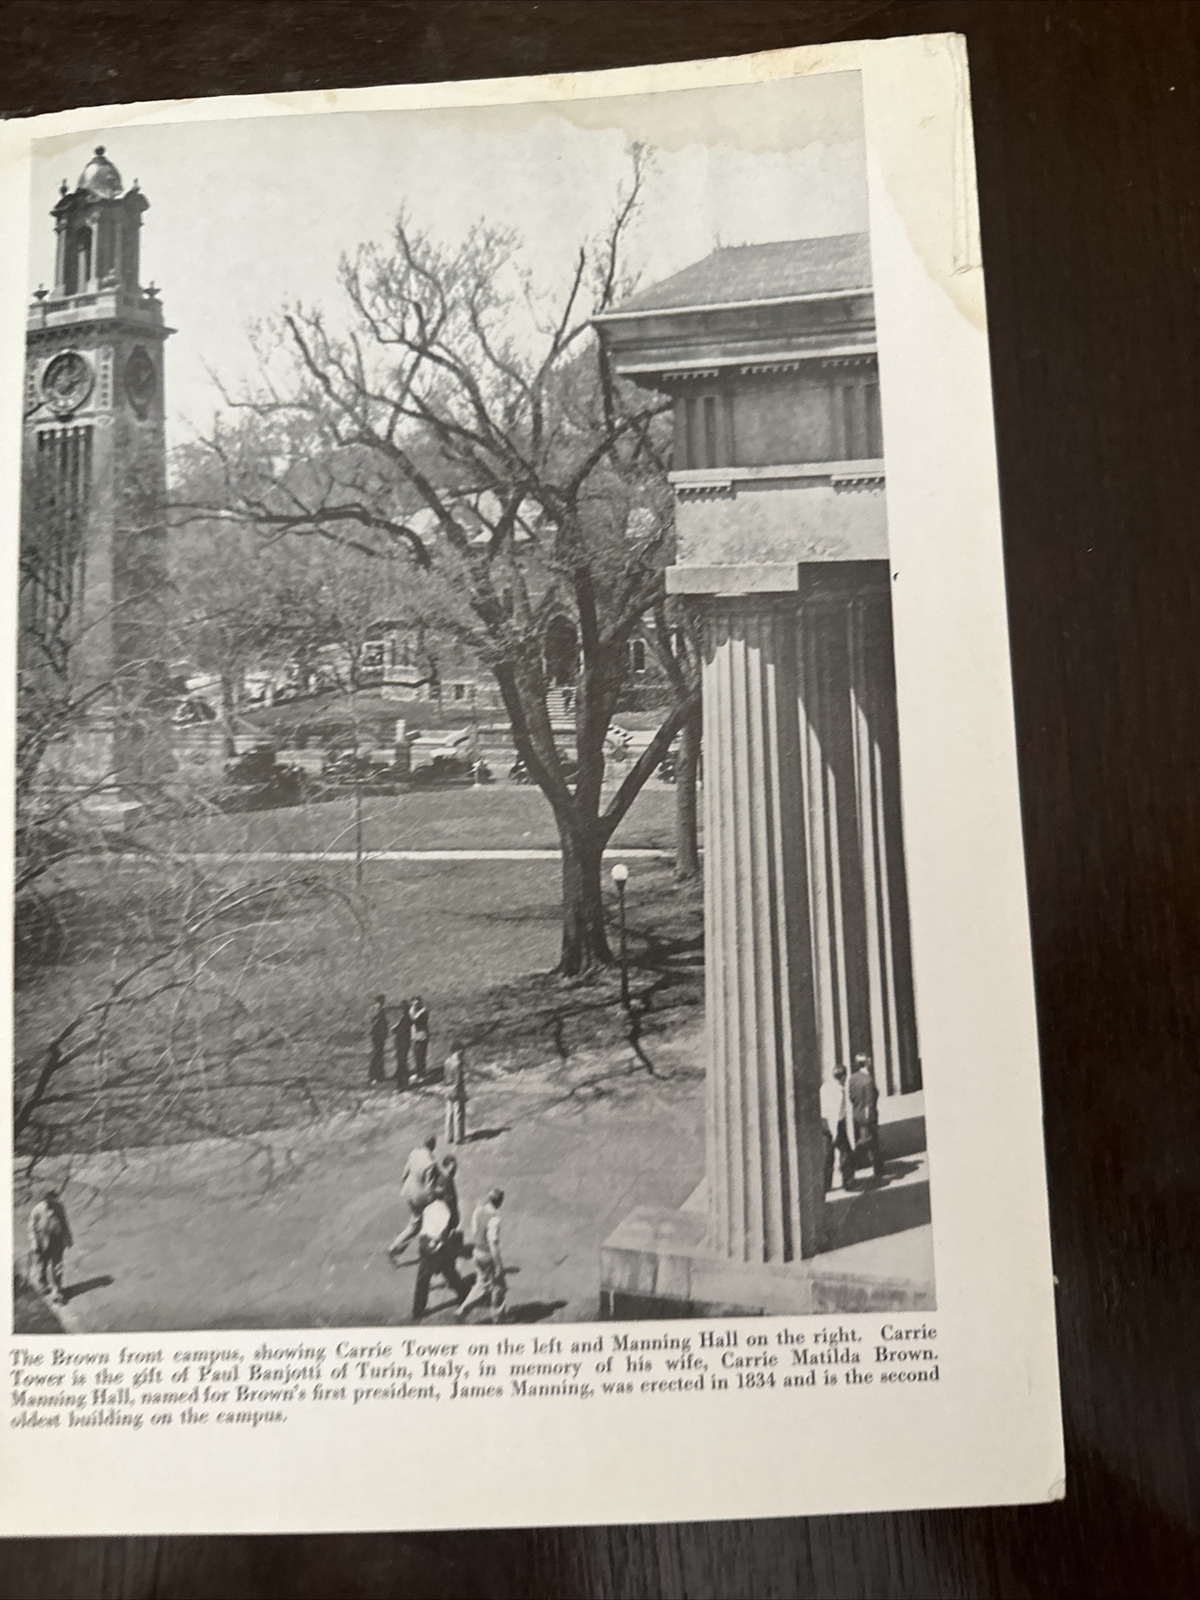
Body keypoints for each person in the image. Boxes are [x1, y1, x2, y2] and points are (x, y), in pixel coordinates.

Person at [411, 1194, 468, 1322]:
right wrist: (442, 1243)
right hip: (436, 1247)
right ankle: (464, 1295)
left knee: (423, 1279)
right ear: (446, 1198)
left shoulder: (428, 1208)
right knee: (450, 1272)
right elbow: (442, 1233)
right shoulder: (445, 1211)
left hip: (424, 1244)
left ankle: (417, 1310)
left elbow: (424, 1227)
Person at [456, 1186, 507, 1323]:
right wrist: (499, 1265)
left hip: (476, 1252)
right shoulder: (495, 1219)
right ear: (500, 1202)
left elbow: (474, 1231)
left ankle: (463, 1309)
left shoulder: (478, 1211)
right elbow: (493, 1243)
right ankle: (497, 1317)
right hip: (487, 1255)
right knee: (499, 1286)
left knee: (481, 1285)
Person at [387, 1134, 438, 1260]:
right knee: (415, 1226)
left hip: (409, 1192)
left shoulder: (414, 1154)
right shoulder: (430, 1164)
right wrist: (434, 1201)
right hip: (419, 1198)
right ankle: (395, 1247)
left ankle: (401, 1247)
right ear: (433, 1146)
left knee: (417, 1223)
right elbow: (429, 1188)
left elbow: (404, 1175)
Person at [28, 1188, 72, 1305]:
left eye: (53, 1197)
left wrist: (68, 1238)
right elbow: (31, 1228)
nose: (52, 1201)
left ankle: (57, 1290)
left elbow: (64, 1222)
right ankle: (42, 1284)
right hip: (43, 1241)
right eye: (49, 1199)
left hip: (57, 1239)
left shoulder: (59, 1207)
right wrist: (34, 1242)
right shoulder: (37, 1210)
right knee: (42, 1265)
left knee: (57, 1266)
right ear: (44, 1199)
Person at [848, 1052, 884, 1182]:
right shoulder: (868, 1080)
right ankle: (852, 1162)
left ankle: (878, 1167)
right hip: (868, 1116)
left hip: (857, 1113)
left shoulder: (852, 1078)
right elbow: (870, 1102)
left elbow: (851, 1097)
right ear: (867, 1063)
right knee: (868, 1140)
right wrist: (870, 1118)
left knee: (871, 1141)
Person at [819, 1066, 852, 1194]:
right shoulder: (839, 1091)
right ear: (843, 1077)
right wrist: (835, 1133)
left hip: (824, 1123)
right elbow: (835, 1113)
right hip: (836, 1125)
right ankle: (848, 1182)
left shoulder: (825, 1086)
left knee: (827, 1156)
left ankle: (825, 1185)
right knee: (846, 1153)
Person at [443, 1048, 468, 1145]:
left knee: (449, 1114)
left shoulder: (447, 1062)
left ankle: (449, 1136)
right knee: (459, 1114)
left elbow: (445, 1077)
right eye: (462, 1050)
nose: (463, 1052)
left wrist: (446, 1088)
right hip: (457, 1090)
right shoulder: (458, 1063)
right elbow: (458, 1080)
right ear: (458, 1050)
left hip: (448, 1089)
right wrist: (463, 1093)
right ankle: (459, 1137)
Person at [368, 994, 390, 1084]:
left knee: (378, 1054)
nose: (384, 1001)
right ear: (379, 1000)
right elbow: (378, 1022)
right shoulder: (379, 1009)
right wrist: (383, 1032)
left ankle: (377, 1075)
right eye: (382, 999)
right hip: (378, 1035)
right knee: (378, 1055)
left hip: (377, 1035)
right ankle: (376, 1075)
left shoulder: (376, 1008)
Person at [409, 997, 431, 1081]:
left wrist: (422, 1011)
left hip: (422, 1037)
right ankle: (420, 1073)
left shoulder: (423, 1011)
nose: (417, 1005)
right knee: (417, 1056)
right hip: (416, 1037)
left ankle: (422, 1073)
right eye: (415, 1004)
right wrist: (421, 1011)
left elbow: (424, 1020)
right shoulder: (413, 1010)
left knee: (422, 1056)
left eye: (418, 1004)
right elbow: (414, 1019)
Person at [392, 1000, 412, 1091]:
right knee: (402, 1062)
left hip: (402, 1043)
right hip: (404, 1043)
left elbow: (400, 1029)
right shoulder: (406, 1017)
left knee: (402, 1063)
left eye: (402, 1008)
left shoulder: (405, 1018)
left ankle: (402, 1084)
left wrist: (395, 1029)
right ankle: (403, 1082)